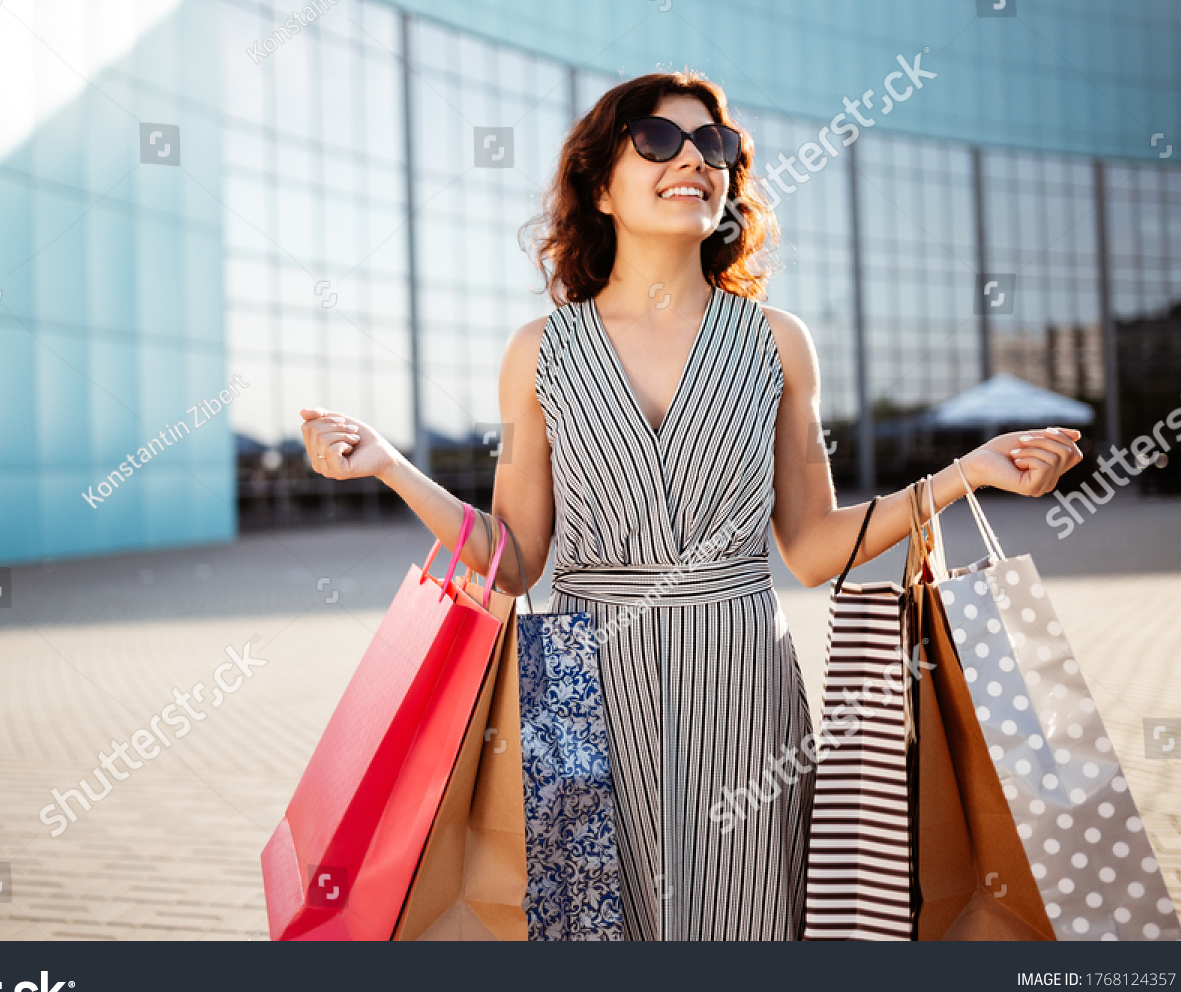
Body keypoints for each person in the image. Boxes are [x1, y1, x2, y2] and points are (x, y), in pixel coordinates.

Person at [298, 71, 1083, 941]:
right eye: (659, 141)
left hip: (743, 688)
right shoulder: (536, 355)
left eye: (714, 145)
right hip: (583, 692)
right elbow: (515, 559)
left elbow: (814, 548)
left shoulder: (778, 344)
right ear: (600, 188)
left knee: (749, 923)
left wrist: (964, 474)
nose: (694, 160)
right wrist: (393, 468)